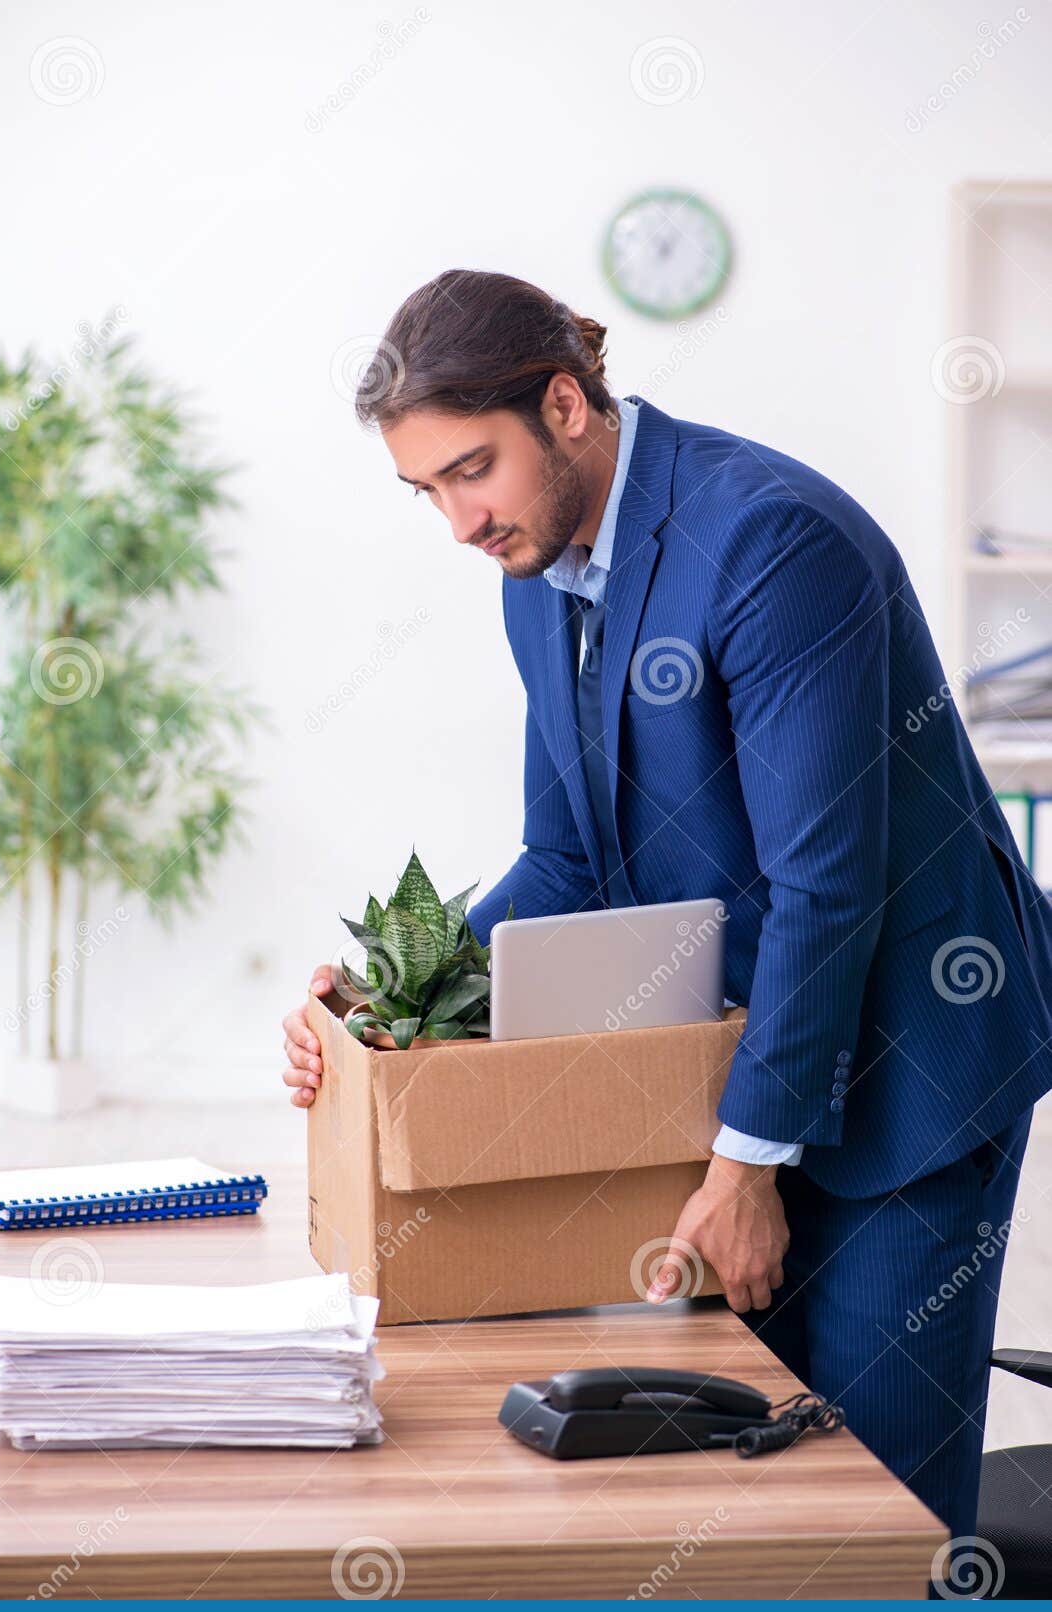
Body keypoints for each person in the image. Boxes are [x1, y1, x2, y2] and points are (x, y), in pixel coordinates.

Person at [282, 269, 1052, 1545]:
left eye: (474, 469)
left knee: (872, 1503)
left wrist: (751, 1158)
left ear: (567, 405)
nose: (459, 521)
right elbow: (569, 858)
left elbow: (828, 880)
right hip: (755, 1045)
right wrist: (387, 1007)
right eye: (428, 490)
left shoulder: (768, 542)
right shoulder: (535, 573)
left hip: (918, 1050)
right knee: (744, 1460)